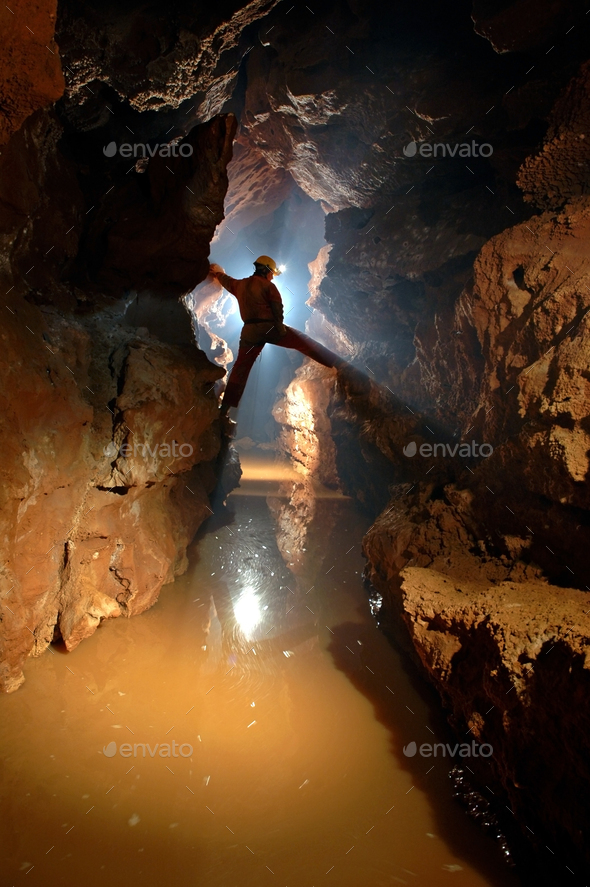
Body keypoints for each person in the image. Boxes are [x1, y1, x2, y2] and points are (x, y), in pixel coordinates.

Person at [208, 255, 344, 423]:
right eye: (272, 272)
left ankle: (225, 410)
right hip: (269, 327)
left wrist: (217, 273)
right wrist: (280, 330)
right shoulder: (268, 286)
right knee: (304, 342)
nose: (272, 276)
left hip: (249, 331)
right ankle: (338, 363)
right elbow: (277, 308)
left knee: (240, 369)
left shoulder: (240, 285)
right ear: (266, 270)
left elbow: (226, 280)